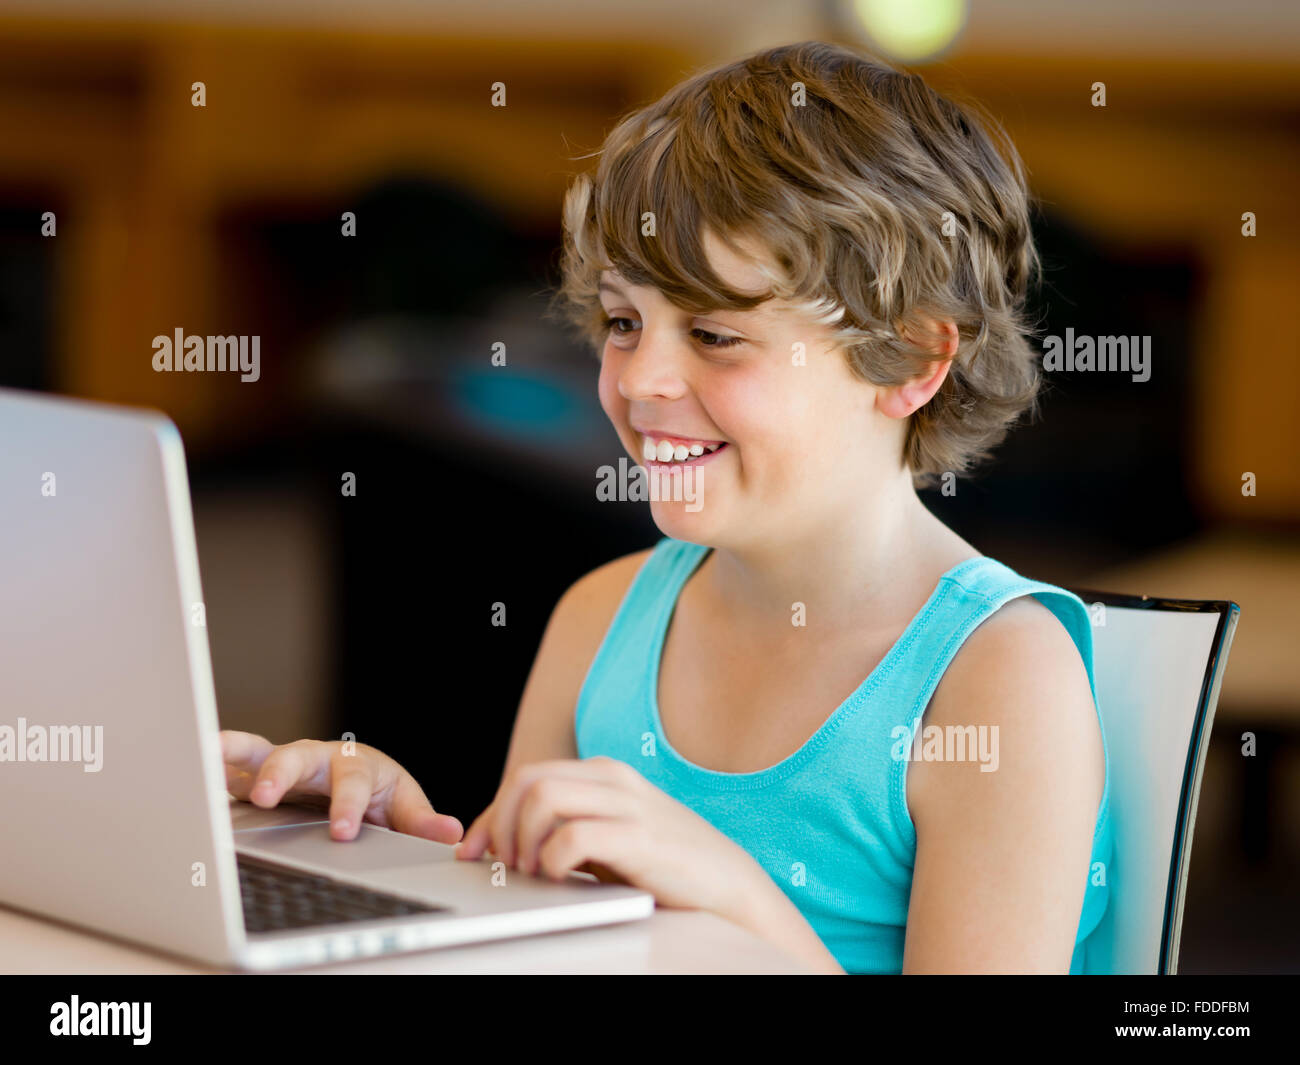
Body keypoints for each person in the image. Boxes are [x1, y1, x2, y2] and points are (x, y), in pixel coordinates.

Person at [222, 41, 1111, 975]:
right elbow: (529, 943)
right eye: (622, 321)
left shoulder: (999, 680)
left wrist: (726, 892)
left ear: (912, 360)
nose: (641, 380)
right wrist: (399, 838)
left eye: (717, 334)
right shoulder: (599, 618)